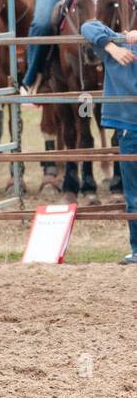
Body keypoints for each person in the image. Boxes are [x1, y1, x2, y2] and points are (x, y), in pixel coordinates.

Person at [80, 18, 137, 264]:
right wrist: (113, 44)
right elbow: (88, 26)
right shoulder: (115, 44)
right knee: (133, 192)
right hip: (128, 127)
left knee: (134, 190)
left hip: (127, 126)